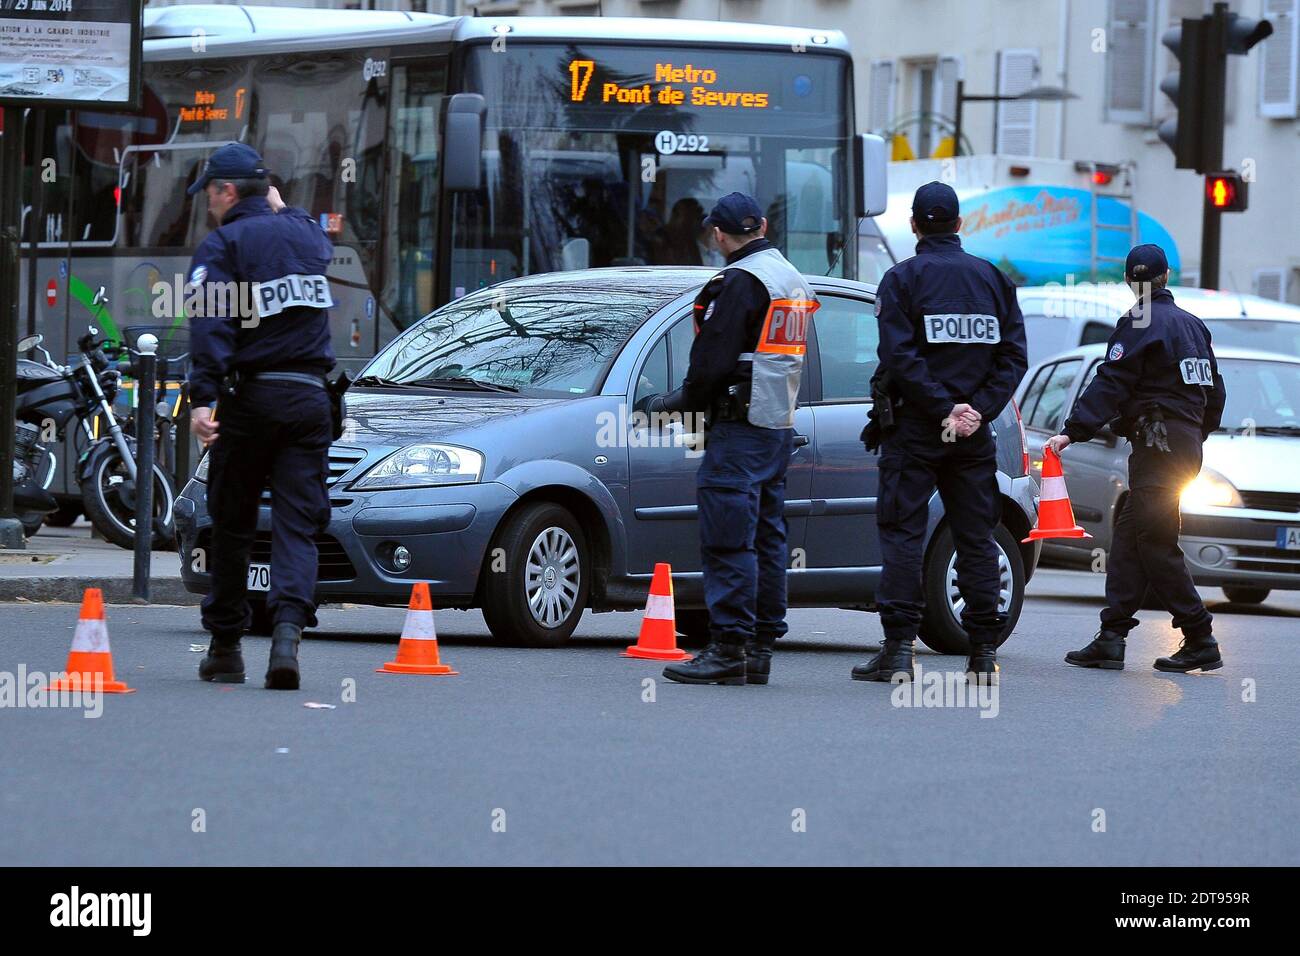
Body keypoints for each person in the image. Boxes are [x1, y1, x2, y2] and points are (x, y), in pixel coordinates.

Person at [854, 182, 1027, 685]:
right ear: (958, 224)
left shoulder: (902, 280)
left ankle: (899, 649)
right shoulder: (994, 280)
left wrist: (942, 407)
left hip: (915, 429)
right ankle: (982, 653)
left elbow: (899, 358)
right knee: (975, 538)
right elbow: (1013, 358)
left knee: (904, 534)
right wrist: (976, 410)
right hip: (972, 434)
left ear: (914, 226)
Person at [643, 192, 818, 685]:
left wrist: (677, 405)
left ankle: (728, 647)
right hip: (775, 425)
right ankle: (758, 648)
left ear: (718, 236)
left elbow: (712, 363)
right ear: (761, 225)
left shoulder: (742, 282)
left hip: (738, 429)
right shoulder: (791, 277)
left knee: (728, 539)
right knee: (767, 537)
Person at [186, 143, 337, 690]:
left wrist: (202, 400)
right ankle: (288, 639)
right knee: (298, 524)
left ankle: (226, 648)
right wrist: (284, 207)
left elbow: (210, 326)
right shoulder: (307, 235)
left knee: (233, 524)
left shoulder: (222, 244)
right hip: (310, 401)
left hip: (251, 401)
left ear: (227, 191)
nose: (206, 205)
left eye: (209, 193)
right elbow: (309, 230)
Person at [1047, 244, 1226, 674]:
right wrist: (1195, 434)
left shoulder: (1139, 320)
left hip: (1157, 446)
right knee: (1130, 538)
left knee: (1156, 543)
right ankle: (1112, 637)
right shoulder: (1193, 325)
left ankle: (1200, 636)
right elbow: (1215, 392)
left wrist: (1075, 429)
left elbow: (1113, 379)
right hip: (1182, 446)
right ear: (1167, 277)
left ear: (1131, 282)